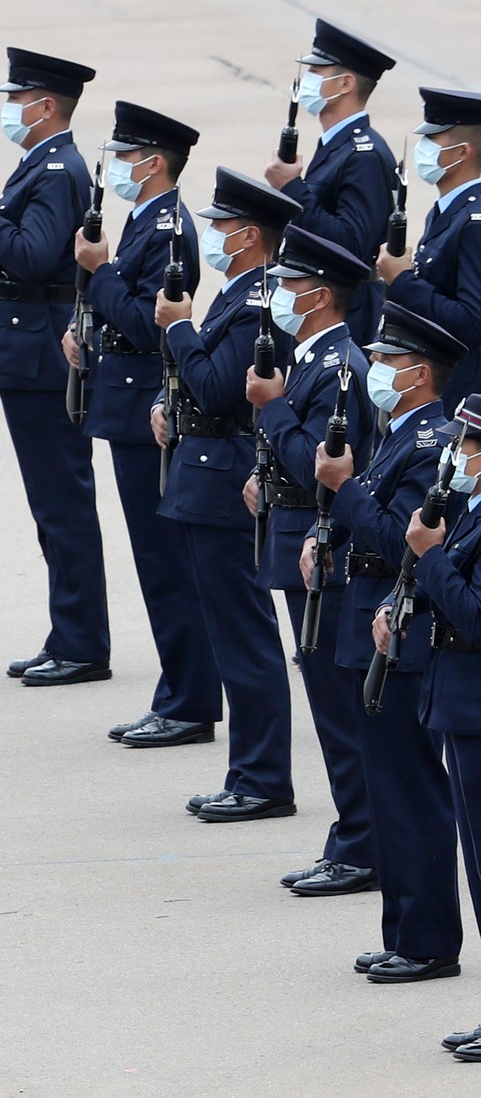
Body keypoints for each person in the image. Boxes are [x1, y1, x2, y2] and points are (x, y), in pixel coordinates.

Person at [0, 48, 109, 687]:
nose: (11, 111)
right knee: (51, 505)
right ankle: (68, 634)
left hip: (41, 358)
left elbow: (36, 257)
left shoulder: (59, 170)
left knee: (61, 502)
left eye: (18, 101)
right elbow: (18, 253)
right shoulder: (42, 164)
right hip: (27, 352)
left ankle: (82, 643)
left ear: (45, 106)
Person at [67, 101, 218, 740]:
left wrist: (100, 272)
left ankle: (188, 703)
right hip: (125, 406)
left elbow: (149, 327)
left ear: (154, 163)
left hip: (144, 413)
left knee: (166, 565)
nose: (119, 167)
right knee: (158, 563)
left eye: (127, 156)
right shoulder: (144, 221)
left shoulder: (170, 230)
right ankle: (179, 694)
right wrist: (85, 329)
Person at [315, 302, 459, 973]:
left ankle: (427, 941)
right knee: (387, 789)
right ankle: (405, 934)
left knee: (409, 791)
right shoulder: (398, 433)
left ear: (419, 373)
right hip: (368, 625)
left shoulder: (430, 444)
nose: (374, 370)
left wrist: (343, 490)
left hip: (402, 636)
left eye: (386, 361)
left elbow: (405, 543)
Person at [226, 227, 376, 861]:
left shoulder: (337, 366)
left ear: (318, 297)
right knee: (330, 706)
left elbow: (321, 468)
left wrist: (271, 407)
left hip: (324, 552)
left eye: (290, 285)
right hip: (297, 540)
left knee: (340, 712)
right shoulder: (315, 357)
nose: (278, 294)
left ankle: (361, 845)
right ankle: (357, 839)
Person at [147, 171, 299, 790]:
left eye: (222, 226)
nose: (211, 235)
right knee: (229, 630)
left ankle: (261, 779)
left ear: (250, 236)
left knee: (243, 635)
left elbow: (217, 389)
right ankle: (249, 775)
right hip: (204, 477)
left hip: (225, 481)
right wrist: (166, 404)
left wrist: (177, 328)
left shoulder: (258, 302)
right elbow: (199, 384)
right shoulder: (237, 293)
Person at [400, 395, 481, 1056]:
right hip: (459, 703)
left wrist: (428, 556)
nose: (457, 453)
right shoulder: (471, 507)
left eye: (468, 444)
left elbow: (476, 615)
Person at [265, 19, 399, 344]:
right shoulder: (338, 145)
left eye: (317, 72)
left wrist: (291, 189)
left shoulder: (364, 155)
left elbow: (350, 244)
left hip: (349, 314)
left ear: (345, 84)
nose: (308, 80)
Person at [380, 89, 481, 409]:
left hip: (462, 393)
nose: (423, 148)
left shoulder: (474, 222)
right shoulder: (447, 210)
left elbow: (473, 321)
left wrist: (403, 281)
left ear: (462, 151)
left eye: (433, 139)